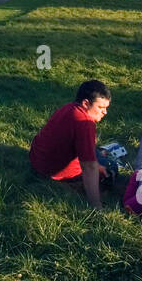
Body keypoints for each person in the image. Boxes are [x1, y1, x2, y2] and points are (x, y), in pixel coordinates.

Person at [28, 80, 113, 209]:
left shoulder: (69, 108)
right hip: (56, 173)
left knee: (96, 154)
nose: (105, 112)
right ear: (86, 103)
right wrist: (96, 204)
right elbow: (89, 166)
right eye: (101, 107)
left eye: (106, 108)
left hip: (37, 161)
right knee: (110, 166)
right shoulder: (85, 122)